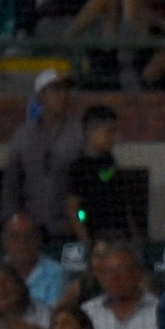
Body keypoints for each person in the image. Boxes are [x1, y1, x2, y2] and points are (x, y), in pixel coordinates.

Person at [1, 70, 84, 239]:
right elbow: (12, 182)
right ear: (41, 96)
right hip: (31, 226)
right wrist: (11, 220)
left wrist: (81, 220)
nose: (63, 96)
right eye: (55, 90)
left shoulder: (78, 133)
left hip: (67, 225)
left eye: (65, 90)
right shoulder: (23, 135)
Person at [62, 104, 140, 244]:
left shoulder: (110, 161)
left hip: (120, 235)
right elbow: (74, 210)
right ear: (92, 132)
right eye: (110, 131)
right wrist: (86, 241)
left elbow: (122, 201)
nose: (115, 137)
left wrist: (134, 235)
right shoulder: (80, 167)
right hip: (97, 237)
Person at [0, 212, 65, 309]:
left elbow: (53, 316)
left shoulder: (55, 273)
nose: (22, 243)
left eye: (28, 236)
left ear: (38, 240)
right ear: (4, 241)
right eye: (15, 237)